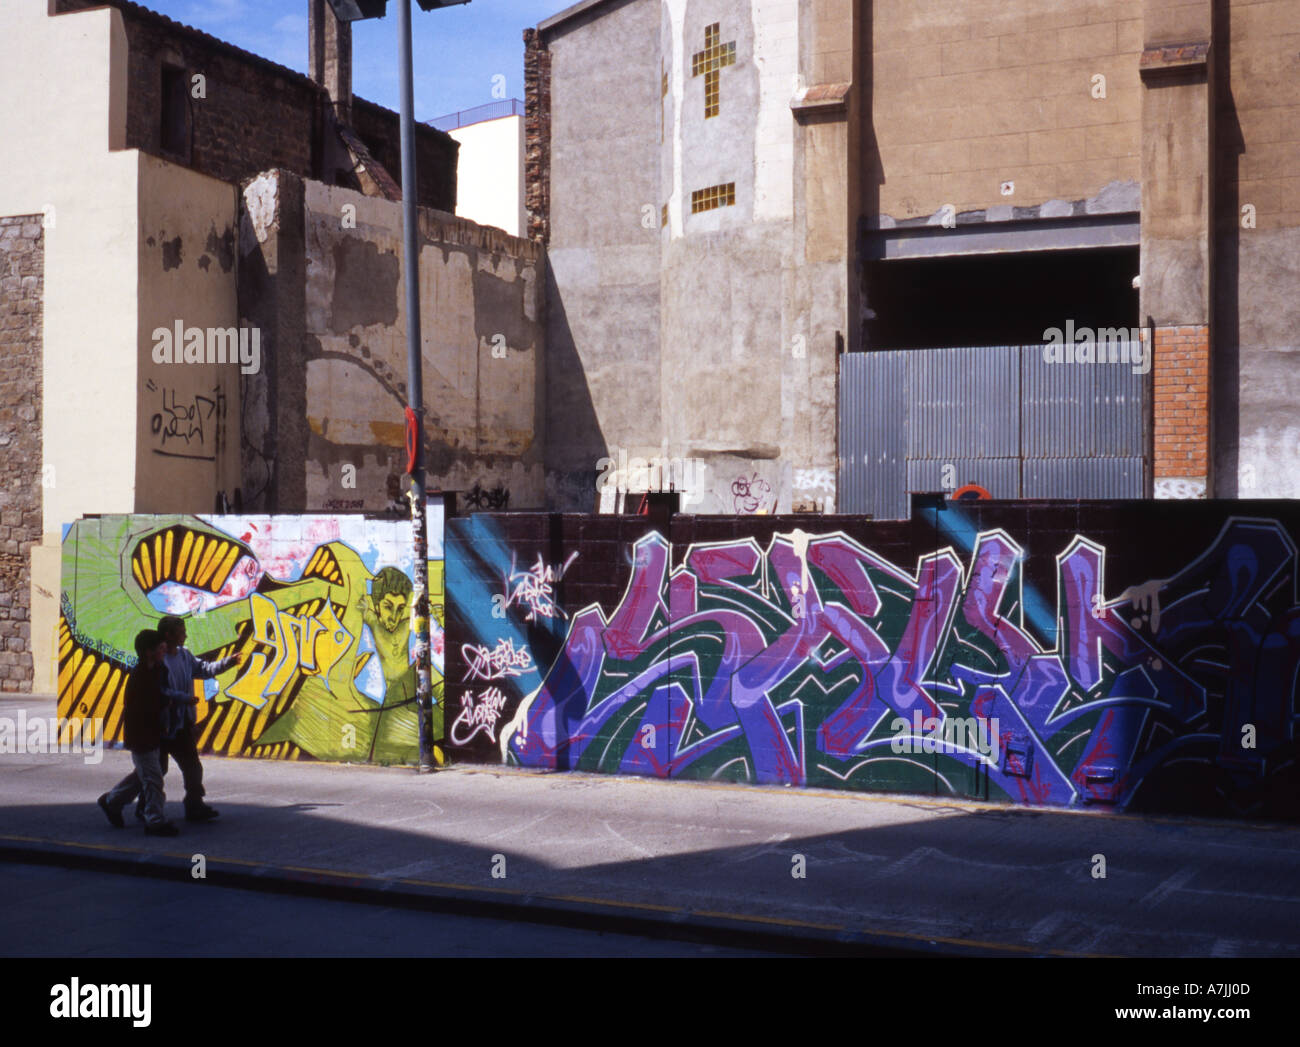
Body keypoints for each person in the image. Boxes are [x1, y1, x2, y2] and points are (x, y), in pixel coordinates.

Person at [153, 615, 241, 823]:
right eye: (181, 631)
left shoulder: (184, 656)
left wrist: (228, 662)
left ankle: (194, 805)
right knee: (157, 770)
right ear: (169, 635)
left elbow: (204, 669)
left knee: (192, 767)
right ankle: (119, 801)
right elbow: (159, 691)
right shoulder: (159, 660)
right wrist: (184, 699)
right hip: (162, 725)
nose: (185, 635)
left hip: (181, 724)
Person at [98, 630, 179, 836]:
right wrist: (165, 703)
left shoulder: (158, 671)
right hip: (141, 735)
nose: (164, 651)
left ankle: (112, 800)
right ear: (148, 652)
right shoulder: (140, 676)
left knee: (144, 775)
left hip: (154, 732)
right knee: (153, 779)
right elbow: (141, 708)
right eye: (161, 649)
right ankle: (155, 821)